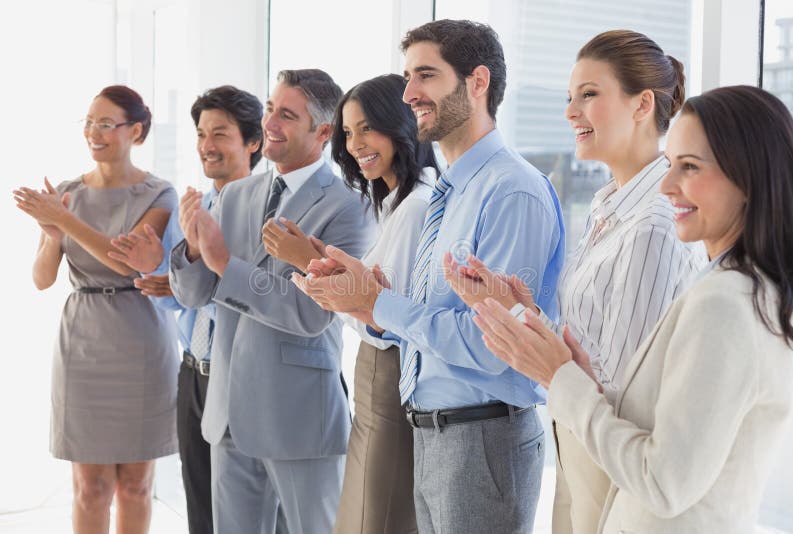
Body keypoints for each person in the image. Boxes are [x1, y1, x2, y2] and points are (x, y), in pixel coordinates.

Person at [472, 85, 793, 533]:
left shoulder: (725, 303)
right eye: (670, 165)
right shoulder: (750, 290)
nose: (667, 186)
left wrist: (560, 378)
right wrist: (579, 378)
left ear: (749, 177)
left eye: (689, 167)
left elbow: (663, 482)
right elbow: (672, 429)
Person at [294, 20, 565, 533]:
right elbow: (430, 323)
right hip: (434, 435)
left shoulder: (511, 191)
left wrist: (376, 303)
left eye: (426, 76)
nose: (409, 93)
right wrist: (359, 297)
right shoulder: (451, 193)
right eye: (407, 77)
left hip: (481, 438)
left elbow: (493, 346)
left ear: (477, 82)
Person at [442, 30, 704, 534]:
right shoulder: (608, 206)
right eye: (569, 97)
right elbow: (594, 346)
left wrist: (529, 340)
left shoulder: (652, 224)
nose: (569, 112)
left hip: (612, 461)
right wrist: (519, 310)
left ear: (641, 104)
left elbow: (622, 389)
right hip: (576, 442)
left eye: (589, 94)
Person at [168, 69, 375, 534]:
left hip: (297, 417)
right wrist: (195, 250)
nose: (271, 123)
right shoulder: (236, 194)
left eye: (287, 114)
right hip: (226, 415)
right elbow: (194, 294)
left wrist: (226, 264)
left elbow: (312, 313)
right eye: (269, 108)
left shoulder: (348, 207)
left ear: (323, 132)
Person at [264, 73, 438, 534]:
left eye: (367, 128)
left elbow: (385, 317)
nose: (355, 143)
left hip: (387, 381)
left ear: (400, 126)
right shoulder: (393, 204)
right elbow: (375, 299)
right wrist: (323, 264)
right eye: (347, 132)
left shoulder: (416, 206)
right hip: (374, 385)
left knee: (373, 522)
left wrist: (312, 266)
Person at [13, 85, 178, 534]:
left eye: (106, 124)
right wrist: (51, 234)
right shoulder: (66, 193)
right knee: (91, 487)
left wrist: (64, 221)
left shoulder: (159, 194)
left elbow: (125, 260)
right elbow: (42, 279)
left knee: (136, 486)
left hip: (141, 340)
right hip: (82, 345)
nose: (94, 132)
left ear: (136, 131)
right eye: (89, 122)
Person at [107, 85, 265, 534]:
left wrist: (185, 282)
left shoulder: (263, 212)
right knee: (200, 503)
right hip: (192, 371)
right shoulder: (198, 204)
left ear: (252, 143)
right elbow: (187, 296)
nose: (206, 145)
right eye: (200, 134)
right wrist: (158, 270)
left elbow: (254, 296)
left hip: (237, 376)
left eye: (220, 134)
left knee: (242, 510)